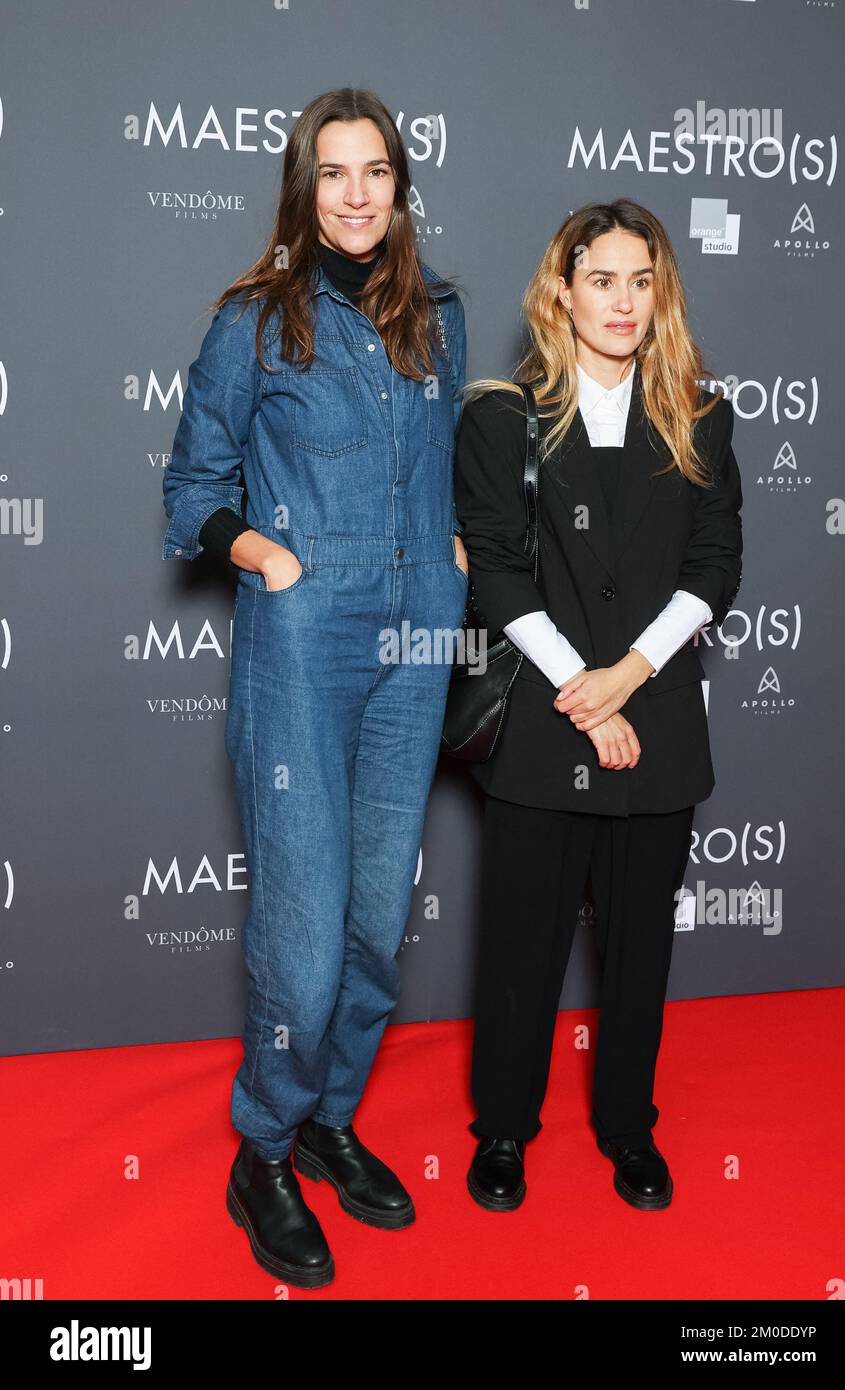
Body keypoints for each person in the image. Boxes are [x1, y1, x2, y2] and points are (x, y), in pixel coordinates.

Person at [162, 88, 469, 1288]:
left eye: (374, 172)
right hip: (304, 639)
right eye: (331, 173)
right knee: (301, 942)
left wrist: (449, 552)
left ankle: (332, 1119)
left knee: (373, 927)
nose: (354, 194)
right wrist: (265, 557)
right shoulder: (254, 319)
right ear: (303, 188)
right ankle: (264, 1148)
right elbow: (191, 487)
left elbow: (445, 462)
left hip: (418, 641)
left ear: (398, 185)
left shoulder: (435, 312)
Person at [453, 198, 743, 1214]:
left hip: (655, 722)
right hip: (542, 722)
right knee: (520, 942)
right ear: (561, 291)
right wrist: (588, 693)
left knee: (638, 946)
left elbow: (714, 567)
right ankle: (500, 1129)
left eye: (640, 279)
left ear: (658, 292)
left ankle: (626, 1125)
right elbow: (493, 572)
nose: (622, 301)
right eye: (601, 279)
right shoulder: (501, 415)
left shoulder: (700, 413)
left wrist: (629, 676)